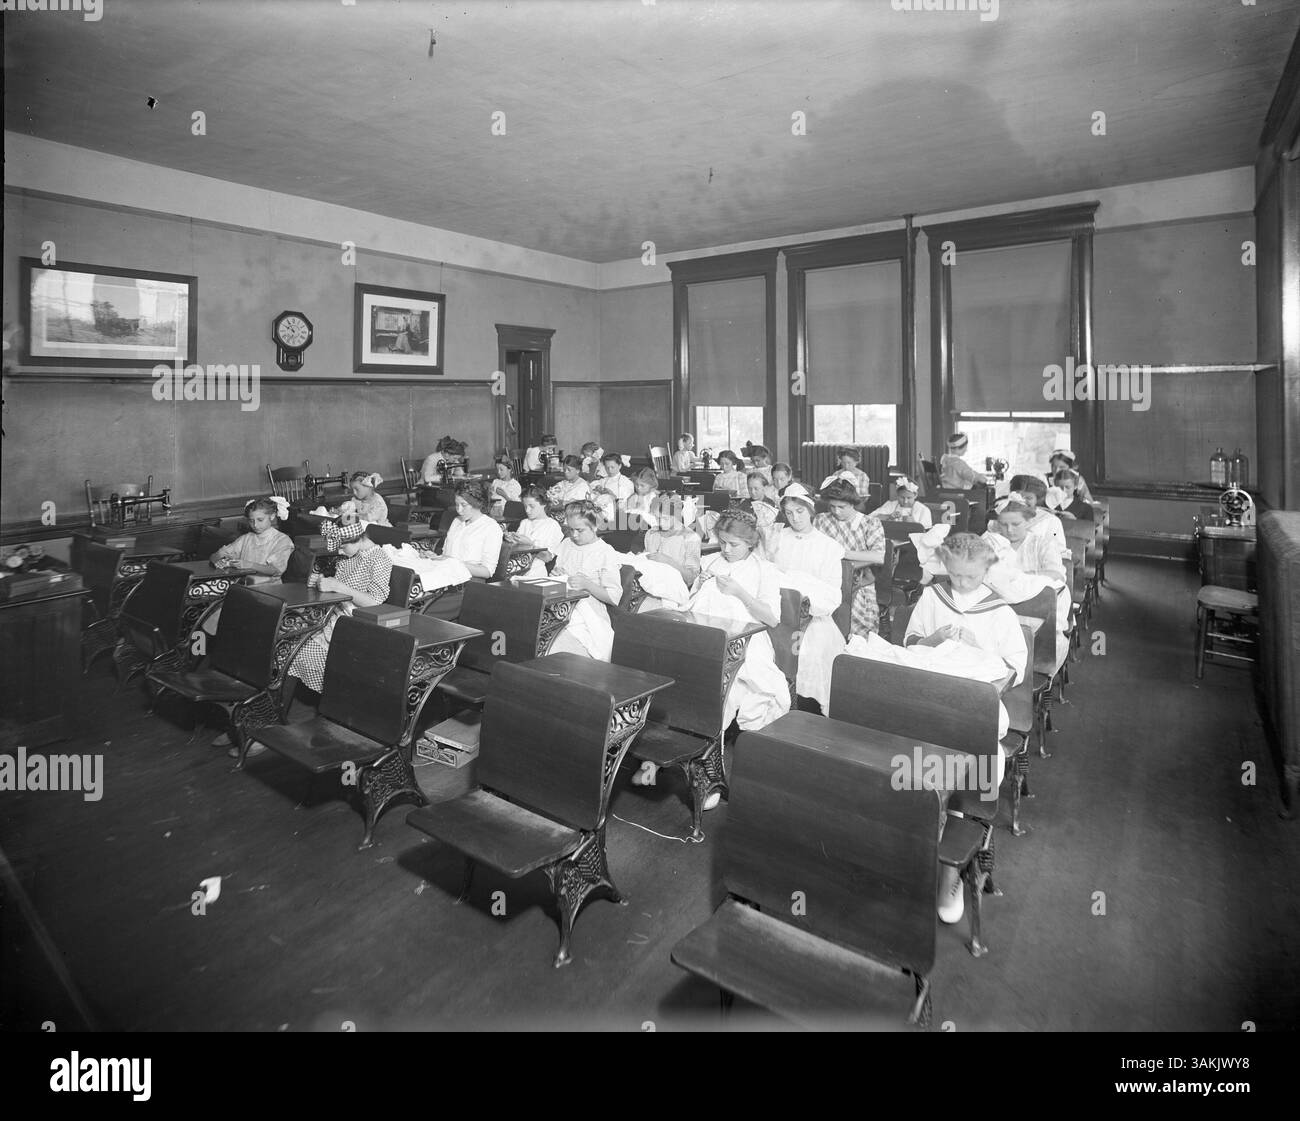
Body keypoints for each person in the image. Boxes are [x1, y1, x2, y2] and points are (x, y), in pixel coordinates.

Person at [904, 532, 1028, 924]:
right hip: (929, 700)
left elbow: (1015, 670)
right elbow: (909, 643)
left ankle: (953, 858)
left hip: (976, 708)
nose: (960, 584)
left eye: (970, 578)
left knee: (970, 769)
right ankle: (919, 830)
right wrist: (935, 638)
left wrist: (979, 649)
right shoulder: (932, 597)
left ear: (986, 570)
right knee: (907, 755)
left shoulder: (1000, 613)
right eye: (954, 575)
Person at [632, 509, 789, 799]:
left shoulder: (764, 570)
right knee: (664, 680)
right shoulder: (713, 561)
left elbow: (772, 619)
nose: (727, 550)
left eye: (734, 545)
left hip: (743, 642)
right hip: (700, 636)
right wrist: (699, 585)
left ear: (751, 543)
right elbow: (692, 602)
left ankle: (705, 770)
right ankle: (657, 756)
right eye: (724, 542)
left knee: (717, 693)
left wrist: (740, 592)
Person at [251, 519, 394, 757]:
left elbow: (376, 601)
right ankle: (267, 720)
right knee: (278, 640)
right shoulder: (348, 555)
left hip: (356, 623)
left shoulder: (379, 558)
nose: (338, 551)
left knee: (294, 649)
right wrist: (322, 582)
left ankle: (283, 724)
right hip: (332, 615)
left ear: (358, 539)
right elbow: (335, 586)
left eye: (341, 546)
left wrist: (338, 586)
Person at [767, 487, 847, 713]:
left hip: (811, 617)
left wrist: (806, 601)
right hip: (774, 612)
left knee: (809, 651)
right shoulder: (777, 539)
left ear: (811, 510)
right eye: (789, 513)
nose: (795, 518)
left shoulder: (828, 547)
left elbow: (833, 594)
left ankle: (804, 708)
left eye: (800, 511)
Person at [539, 501, 623, 661]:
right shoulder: (567, 544)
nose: (574, 535)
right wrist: (556, 575)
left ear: (595, 527)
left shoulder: (604, 552)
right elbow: (559, 576)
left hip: (588, 612)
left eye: (580, 530)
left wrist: (587, 585)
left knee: (554, 644)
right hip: (560, 604)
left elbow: (614, 597)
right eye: (570, 530)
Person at [814, 479, 885, 638]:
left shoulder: (870, 523)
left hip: (858, 584)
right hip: (827, 582)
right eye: (832, 506)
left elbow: (878, 556)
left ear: (853, 503)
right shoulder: (821, 520)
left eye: (841, 507)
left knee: (858, 635)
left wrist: (841, 552)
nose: (836, 511)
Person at [210, 495, 294, 578]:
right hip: (242, 586)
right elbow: (214, 557)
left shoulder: (282, 540)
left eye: (260, 520)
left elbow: (276, 570)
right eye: (251, 521)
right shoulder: (246, 538)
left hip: (268, 588)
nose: (255, 525)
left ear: (272, 516)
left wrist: (250, 565)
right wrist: (218, 559)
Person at [642, 493, 702, 587]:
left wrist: (669, 562)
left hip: (675, 589)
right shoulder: (651, 533)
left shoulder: (691, 538)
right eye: (657, 518)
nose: (661, 523)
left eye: (665, 518)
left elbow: (691, 579)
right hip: (650, 585)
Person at [504, 486, 563, 577]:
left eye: (532, 506)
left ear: (544, 504)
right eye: (525, 506)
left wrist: (530, 544)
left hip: (535, 572)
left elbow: (547, 558)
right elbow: (516, 549)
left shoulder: (552, 526)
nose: (527, 510)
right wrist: (511, 540)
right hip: (516, 567)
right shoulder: (525, 522)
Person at [1008, 475, 1068, 561]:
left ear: (1037, 499)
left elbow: (1059, 551)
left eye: (1028, 498)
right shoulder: (1001, 516)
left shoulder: (1051, 521)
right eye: (1019, 496)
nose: (1022, 501)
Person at [589, 452, 634, 525]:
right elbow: (592, 485)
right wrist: (597, 488)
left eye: (612, 467)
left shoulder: (625, 483)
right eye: (607, 467)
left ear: (619, 466)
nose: (609, 470)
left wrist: (612, 495)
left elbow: (625, 505)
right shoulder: (605, 479)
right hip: (600, 510)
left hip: (617, 515)